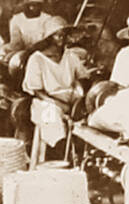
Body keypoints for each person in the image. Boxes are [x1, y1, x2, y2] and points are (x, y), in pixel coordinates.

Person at [22, 26, 89, 154]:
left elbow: (83, 77)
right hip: (46, 101)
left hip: (71, 98)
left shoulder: (70, 56)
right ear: (48, 38)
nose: (61, 38)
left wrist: (78, 97)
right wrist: (58, 104)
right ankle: (57, 154)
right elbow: (37, 90)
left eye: (63, 34)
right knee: (52, 117)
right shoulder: (37, 59)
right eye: (56, 35)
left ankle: (81, 156)